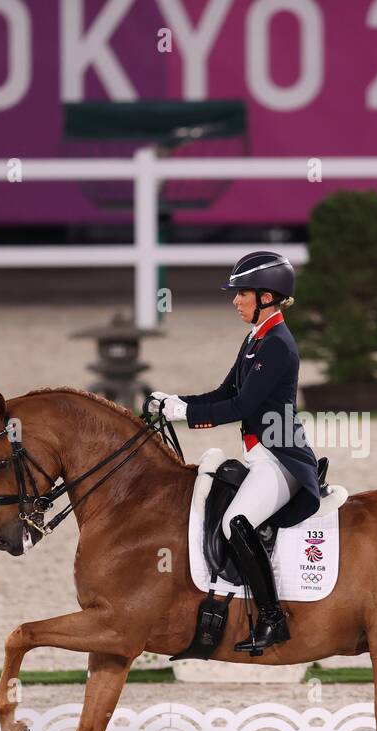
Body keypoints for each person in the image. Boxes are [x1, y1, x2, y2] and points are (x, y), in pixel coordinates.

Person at [152, 251, 321, 654]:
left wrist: (187, 414)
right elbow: (225, 393)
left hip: (280, 458)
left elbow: (242, 408)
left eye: (241, 293)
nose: (235, 300)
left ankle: (273, 618)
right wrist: (176, 403)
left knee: (236, 522)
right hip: (259, 455)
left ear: (266, 296)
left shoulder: (277, 344)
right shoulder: (255, 338)